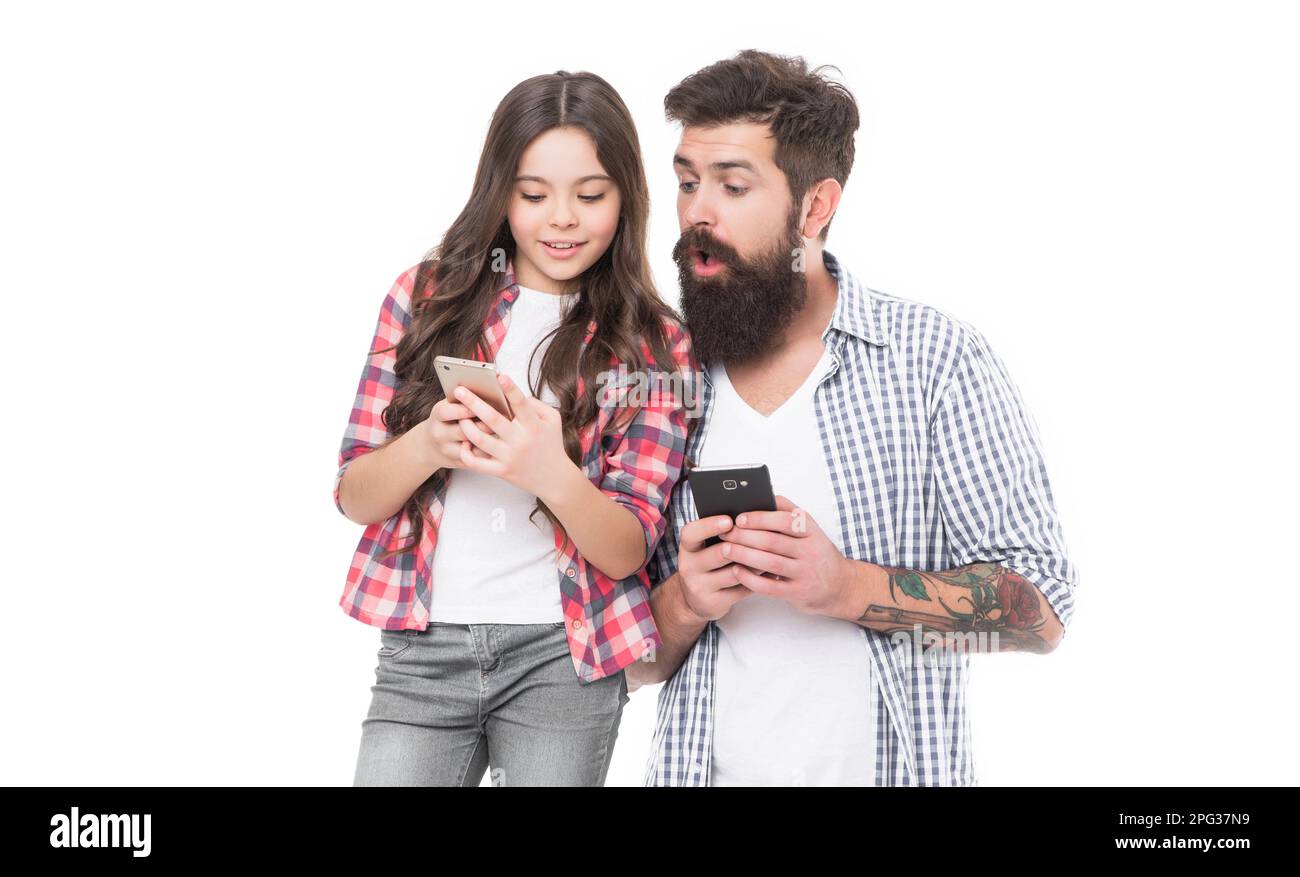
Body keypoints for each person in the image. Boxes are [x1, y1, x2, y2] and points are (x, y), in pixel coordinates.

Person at [628, 50, 1079, 786]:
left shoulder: (935, 361)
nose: (696, 212)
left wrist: (845, 587)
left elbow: (1040, 609)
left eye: (732, 185)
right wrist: (683, 600)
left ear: (815, 207)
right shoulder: (657, 376)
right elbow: (622, 662)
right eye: (686, 182)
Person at [333, 70, 699, 786]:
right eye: (534, 195)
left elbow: (628, 549)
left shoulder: (656, 344)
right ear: (499, 192)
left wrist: (548, 470)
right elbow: (355, 495)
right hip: (422, 650)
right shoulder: (426, 296)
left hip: (564, 656)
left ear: (626, 196)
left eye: (590, 195)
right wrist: (429, 444)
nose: (562, 217)